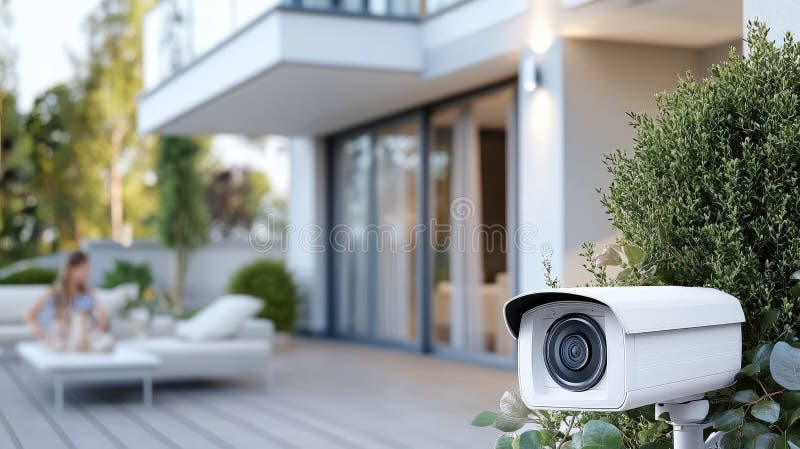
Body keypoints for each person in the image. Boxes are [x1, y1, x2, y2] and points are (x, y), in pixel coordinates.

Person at [25, 251, 109, 341]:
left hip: (81, 342)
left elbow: (104, 321)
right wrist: (39, 332)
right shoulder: (52, 293)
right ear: (71, 269)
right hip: (54, 341)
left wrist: (93, 335)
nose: (88, 274)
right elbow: (29, 316)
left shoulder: (88, 295)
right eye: (85, 269)